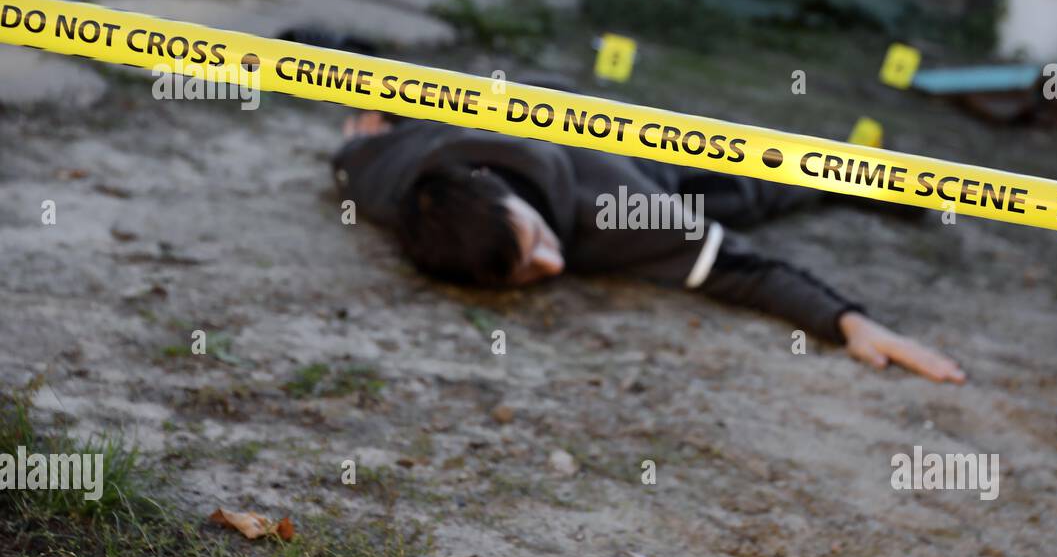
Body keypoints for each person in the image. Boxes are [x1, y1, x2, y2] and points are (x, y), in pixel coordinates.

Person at [332, 110, 965, 384]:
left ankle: (868, 169)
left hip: (645, 159)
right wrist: (355, 147)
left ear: (501, 192)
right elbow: (355, 153)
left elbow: (747, 271)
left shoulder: (625, 213)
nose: (553, 266)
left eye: (538, 243)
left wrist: (847, 321)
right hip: (522, 124)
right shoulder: (393, 190)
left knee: (759, 187)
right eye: (524, 276)